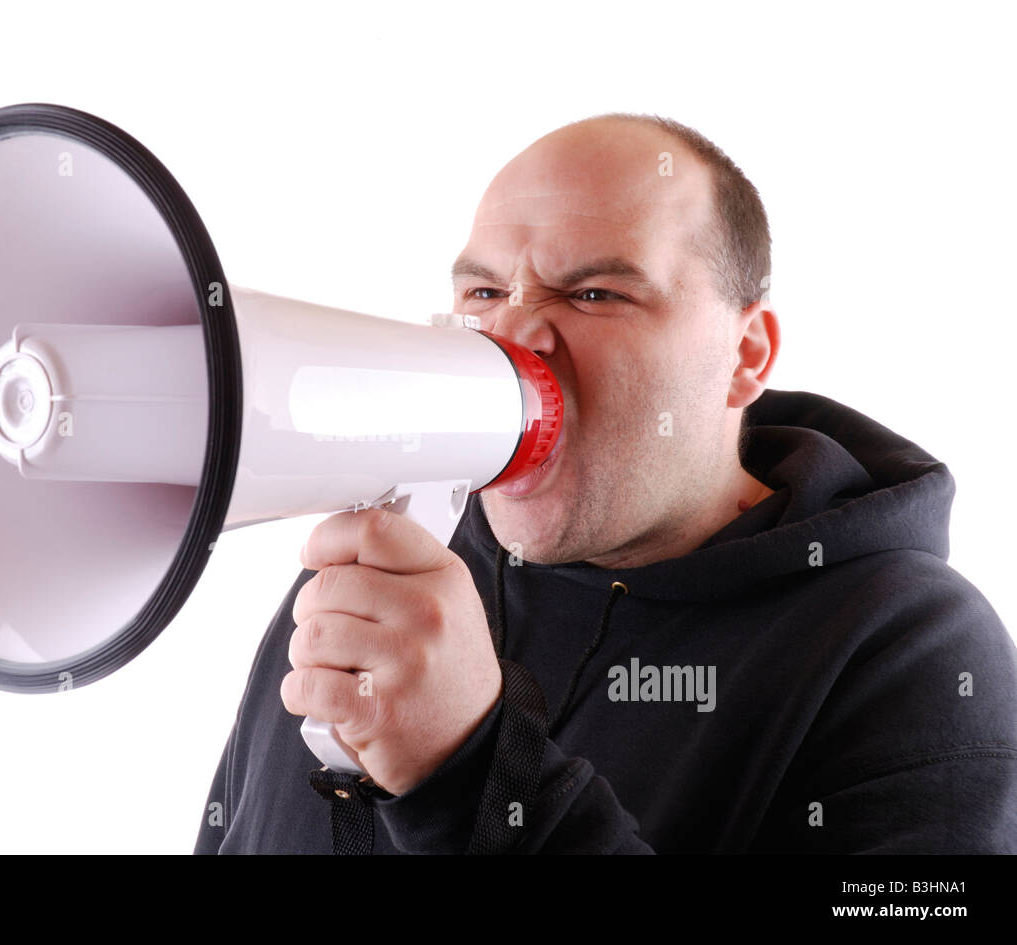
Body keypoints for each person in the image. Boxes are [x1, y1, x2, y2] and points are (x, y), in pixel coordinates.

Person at [194, 113, 1017, 854]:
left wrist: (475, 771)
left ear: (747, 355)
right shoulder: (390, 574)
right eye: (483, 291)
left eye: (594, 293)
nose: (512, 332)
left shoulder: (912, 651)